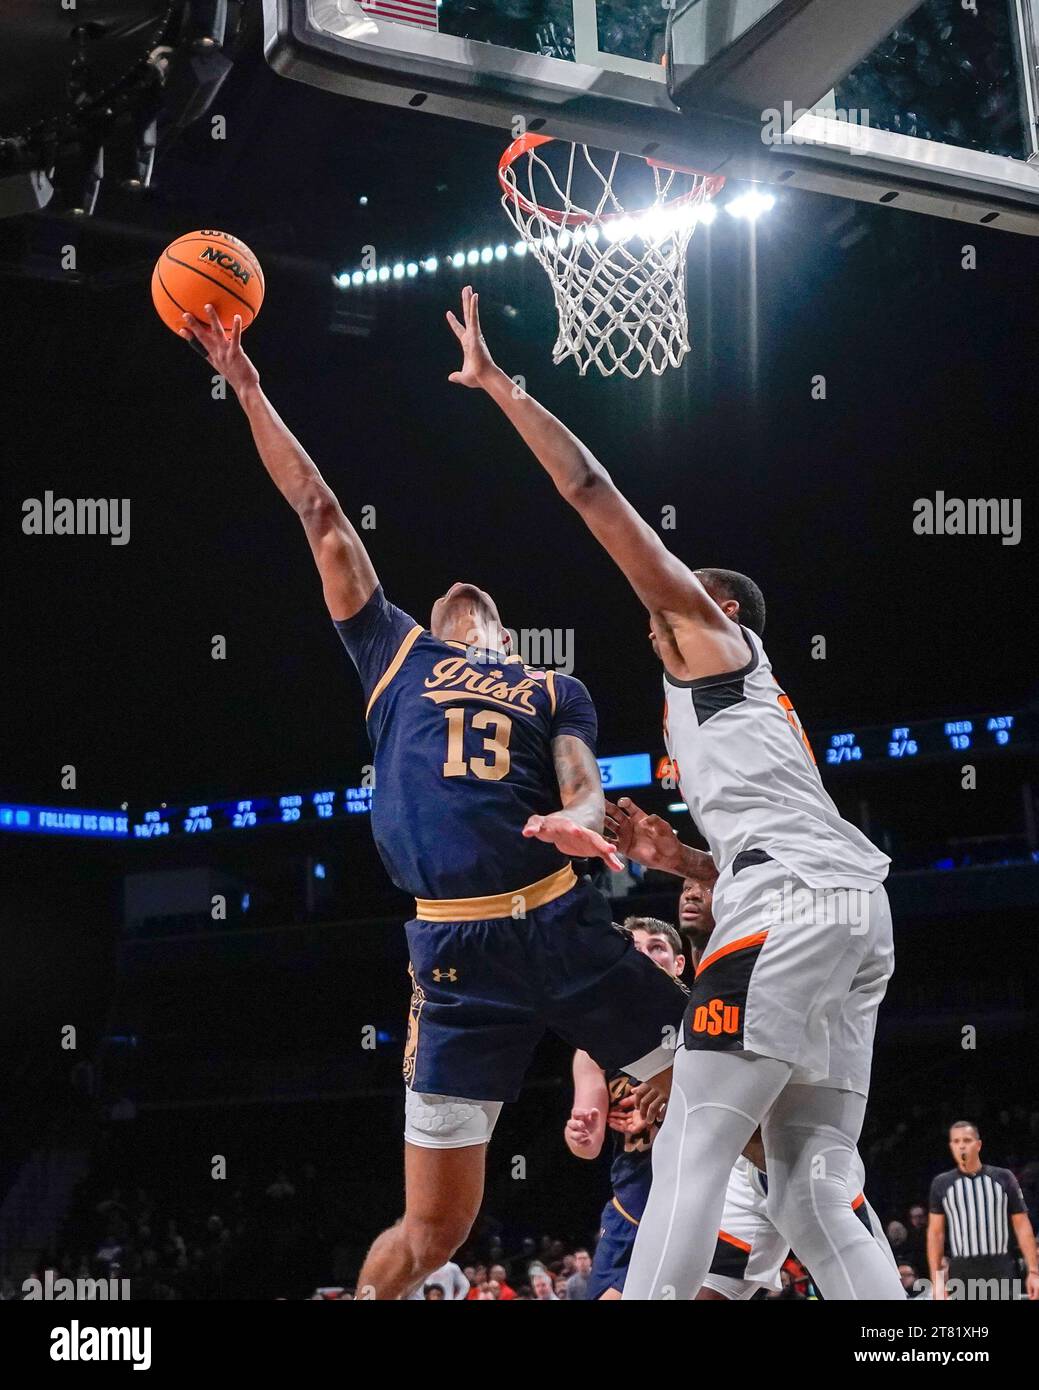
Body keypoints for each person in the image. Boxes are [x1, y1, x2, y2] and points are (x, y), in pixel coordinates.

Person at [180, 303, 688, 1301]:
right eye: (460, 611)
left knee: (730, 1081)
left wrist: (583, 814)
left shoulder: (551, 688)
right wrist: (244, 382)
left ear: (504, 638)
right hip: (456, 963)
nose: (472, 616)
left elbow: (586, 776)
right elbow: (320, 509)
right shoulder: (395, 656)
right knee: (434, 1227)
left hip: (564, 927)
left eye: (487, 616)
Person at [448, 284, 902, 1299]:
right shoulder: (736, 710)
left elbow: (592, 492)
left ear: (722, 604)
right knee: (815, 1188)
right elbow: (765, 838)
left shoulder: (712, 638)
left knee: (693, 1137)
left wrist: (501, 389)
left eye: (684, 584)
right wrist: (677, 858)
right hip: (847, 911)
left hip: (787, 908)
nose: (659, 594)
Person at [927, 1121, 1039, 1300]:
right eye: (956, 1141)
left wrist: (1034, 1271)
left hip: (999, 1266)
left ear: (978, 1145)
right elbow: (935, 1234)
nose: (961, 1145)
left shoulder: (1003, 1177)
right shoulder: (942, 1183)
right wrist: (937, 1279)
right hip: (962, 1269)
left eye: (967, 1140)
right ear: (951, 1146)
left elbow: (1022, 1225)